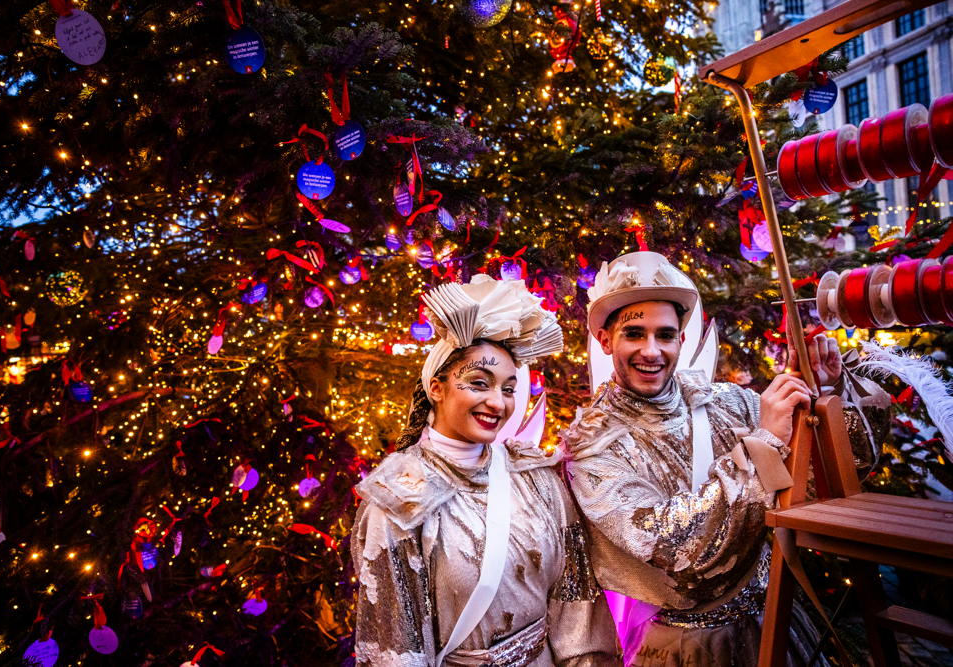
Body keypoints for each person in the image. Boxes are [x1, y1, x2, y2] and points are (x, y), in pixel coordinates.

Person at [561, 251, 875, 666]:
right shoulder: (591, 446)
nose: (651, 351)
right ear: (605, 341)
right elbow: (677, 551)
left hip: (775, 622)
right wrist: (763, 442)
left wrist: (822, 394)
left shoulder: (724, 402)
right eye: (634, 333)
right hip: (680, 650)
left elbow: (823, 481)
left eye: (665, 334)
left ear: (682, 339)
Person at [352, 274, 618, 666]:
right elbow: (394, 647)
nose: (498, 403)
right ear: (437, 388)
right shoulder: (399, 501)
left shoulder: (537, 479)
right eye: (479, 383)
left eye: (508, 389)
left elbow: (576, 606)